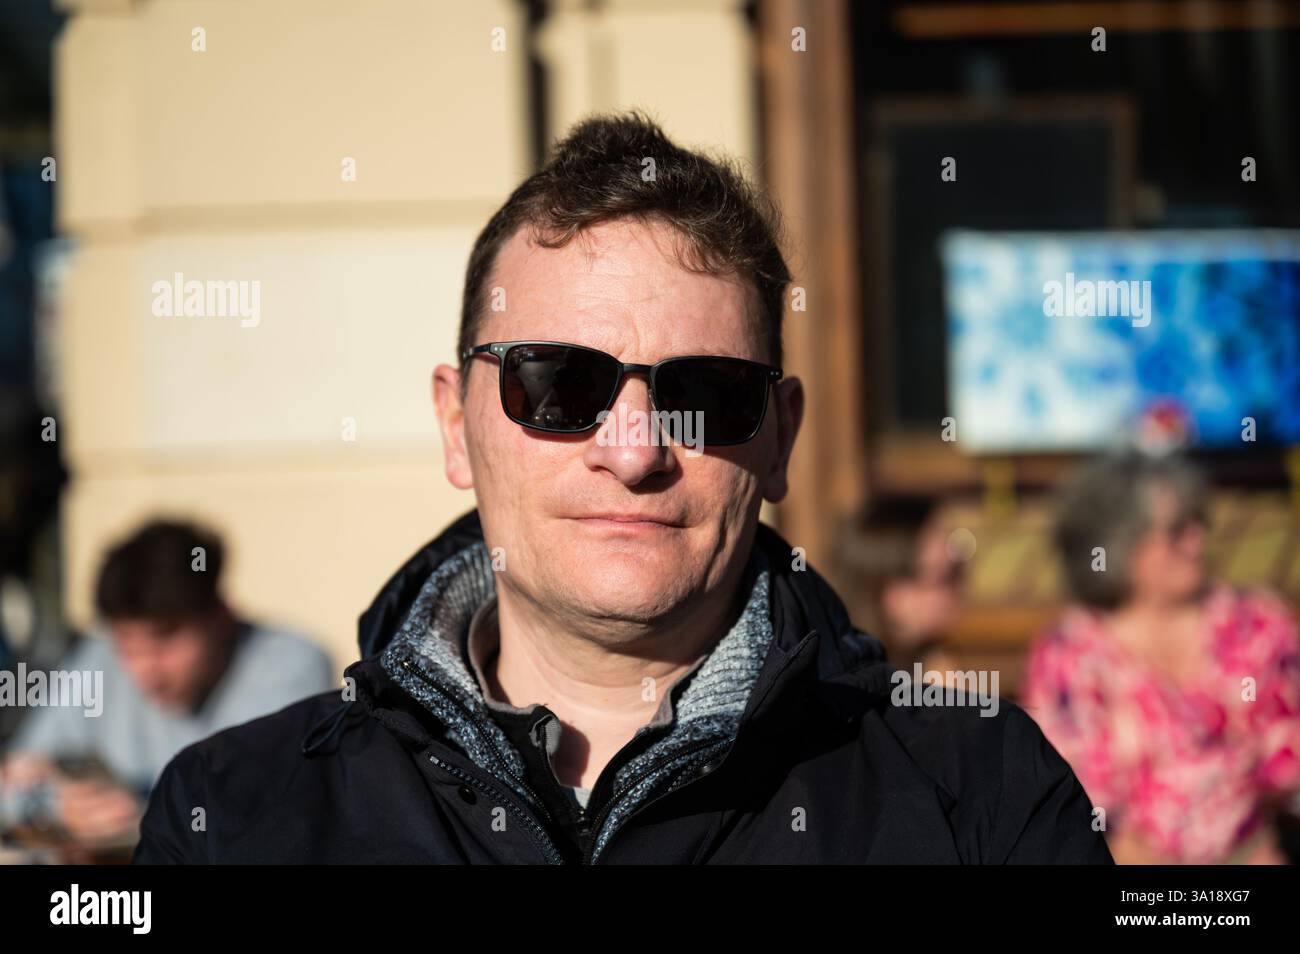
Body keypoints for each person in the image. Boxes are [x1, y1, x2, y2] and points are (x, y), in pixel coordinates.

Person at [133, 112, 1111, 864]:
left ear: (778, 440)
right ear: (455, 425)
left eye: (706, 394)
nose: (634, 449)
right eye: (559, 386)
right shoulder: (232, 816)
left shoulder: (981, 795)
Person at [1021, 451, 1300, 864]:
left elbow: (1288, 768)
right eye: (1176, 531)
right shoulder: (1071, 653)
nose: (1196, 542)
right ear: (1120, 543)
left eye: (1200, 524)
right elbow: (1077, 806)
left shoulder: (1256, 624)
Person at [1, 519, 334, 846]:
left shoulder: (287, 662)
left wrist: (139, 816)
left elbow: (252, 808)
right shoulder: (100, 653)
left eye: (165, 638)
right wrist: (55, 808)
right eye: (127, 645)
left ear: (222, 616)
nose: (144, 668)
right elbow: (13, 780)